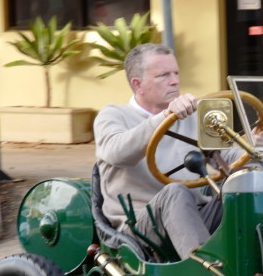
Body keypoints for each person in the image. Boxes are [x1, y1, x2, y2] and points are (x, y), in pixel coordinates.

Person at [93, 43, 221, 259]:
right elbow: (118, 152)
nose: (175, 81)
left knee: (241, 192)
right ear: (138, 85)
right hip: (141, 224)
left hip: (197, 213)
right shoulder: (112, 115)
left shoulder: (193, 115)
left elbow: (227, 156)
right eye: (163, 75)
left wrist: (254, 147)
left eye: (176, 73)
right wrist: (165, 117)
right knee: (175, 191)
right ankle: (202, 270)